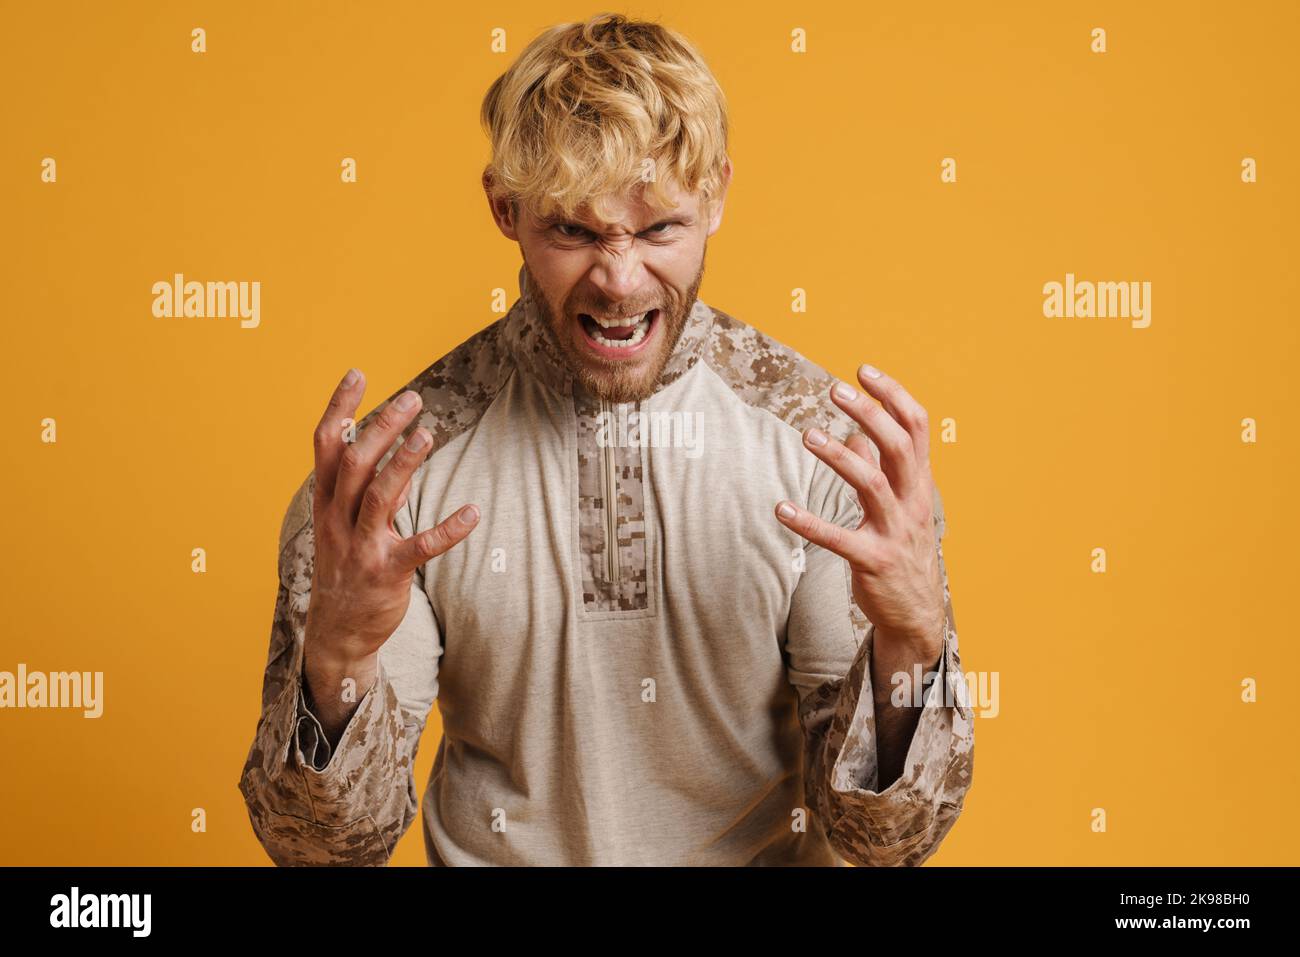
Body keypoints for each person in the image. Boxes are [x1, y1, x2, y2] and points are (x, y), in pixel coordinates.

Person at [238, 12, 973, 866]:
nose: (620, 280)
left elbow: (885, 845)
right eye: (574, 231)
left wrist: (913, 645)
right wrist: (338, 655)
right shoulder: (392, 479)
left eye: (660, 228)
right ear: (504, 209)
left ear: (718, 197)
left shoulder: (829, 461)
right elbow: (326, 853)